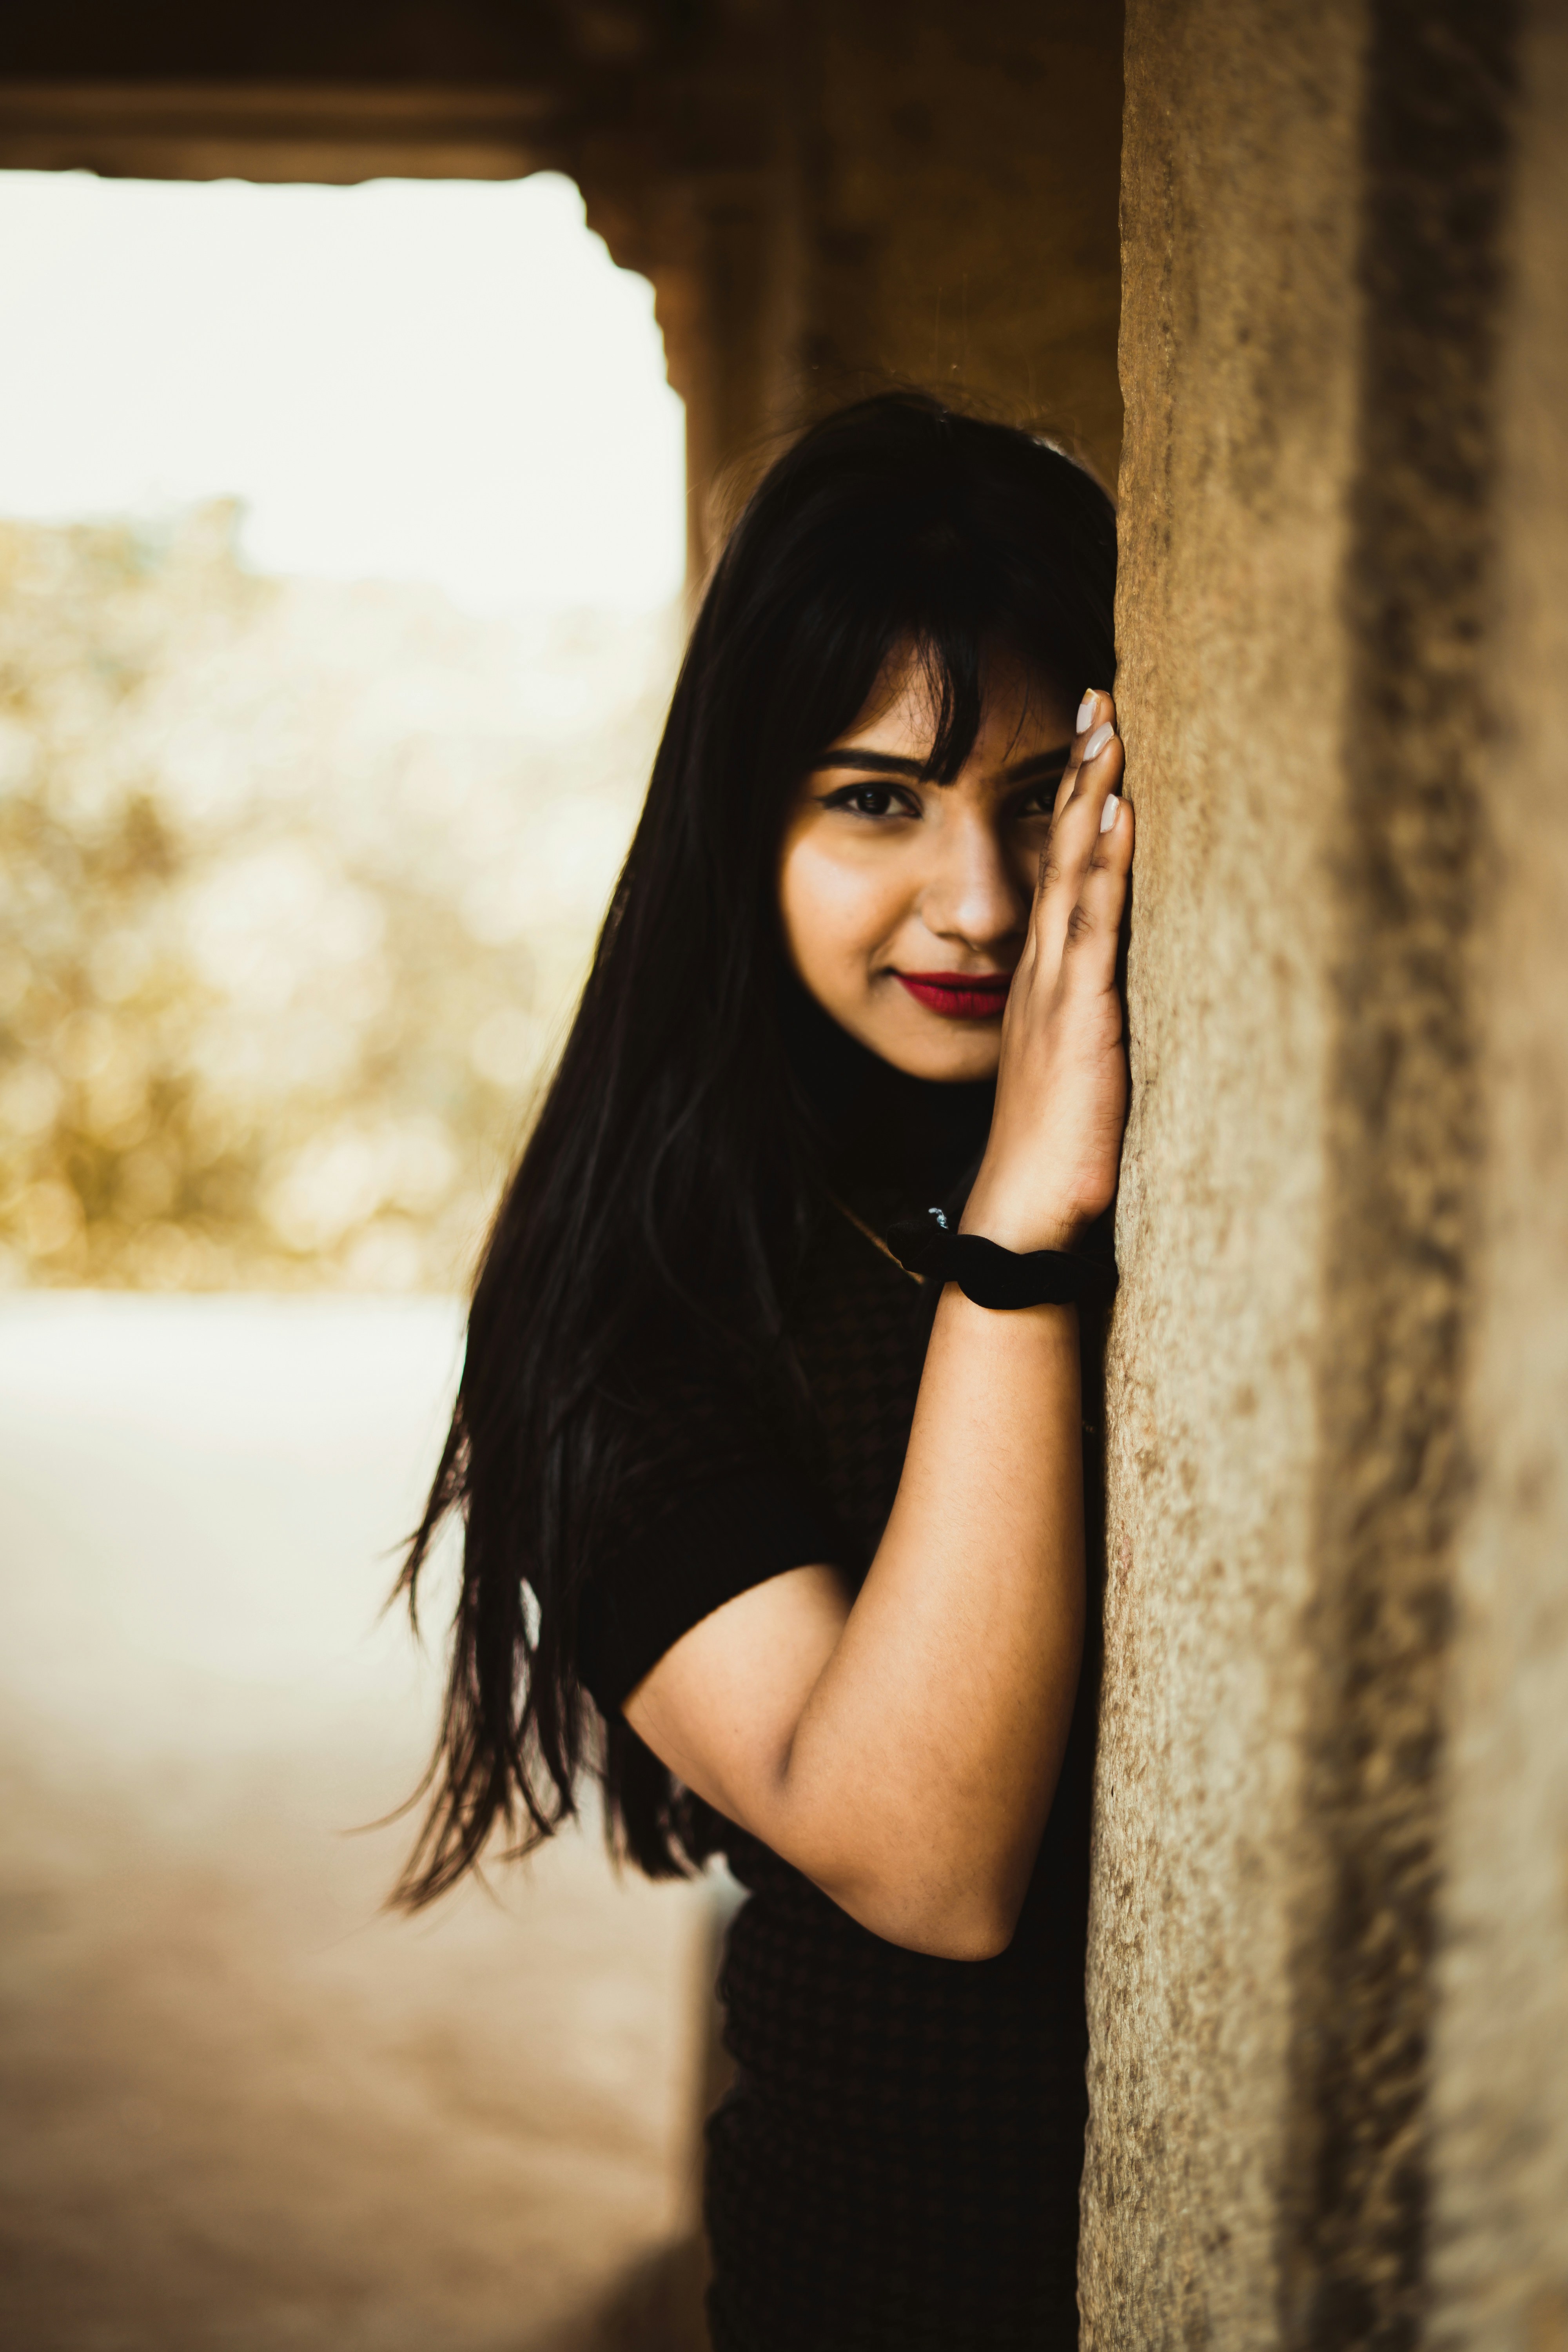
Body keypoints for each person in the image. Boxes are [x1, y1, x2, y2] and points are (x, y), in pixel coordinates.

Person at [396, 390, 1131, 2349]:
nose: (977, 903)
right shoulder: (627, 1301)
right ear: (747, 824)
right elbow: (922, 1856)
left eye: (1046, 792)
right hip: (894, 2276)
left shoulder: (1211, 1149)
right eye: (876, 799)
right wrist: (1020, 1228)